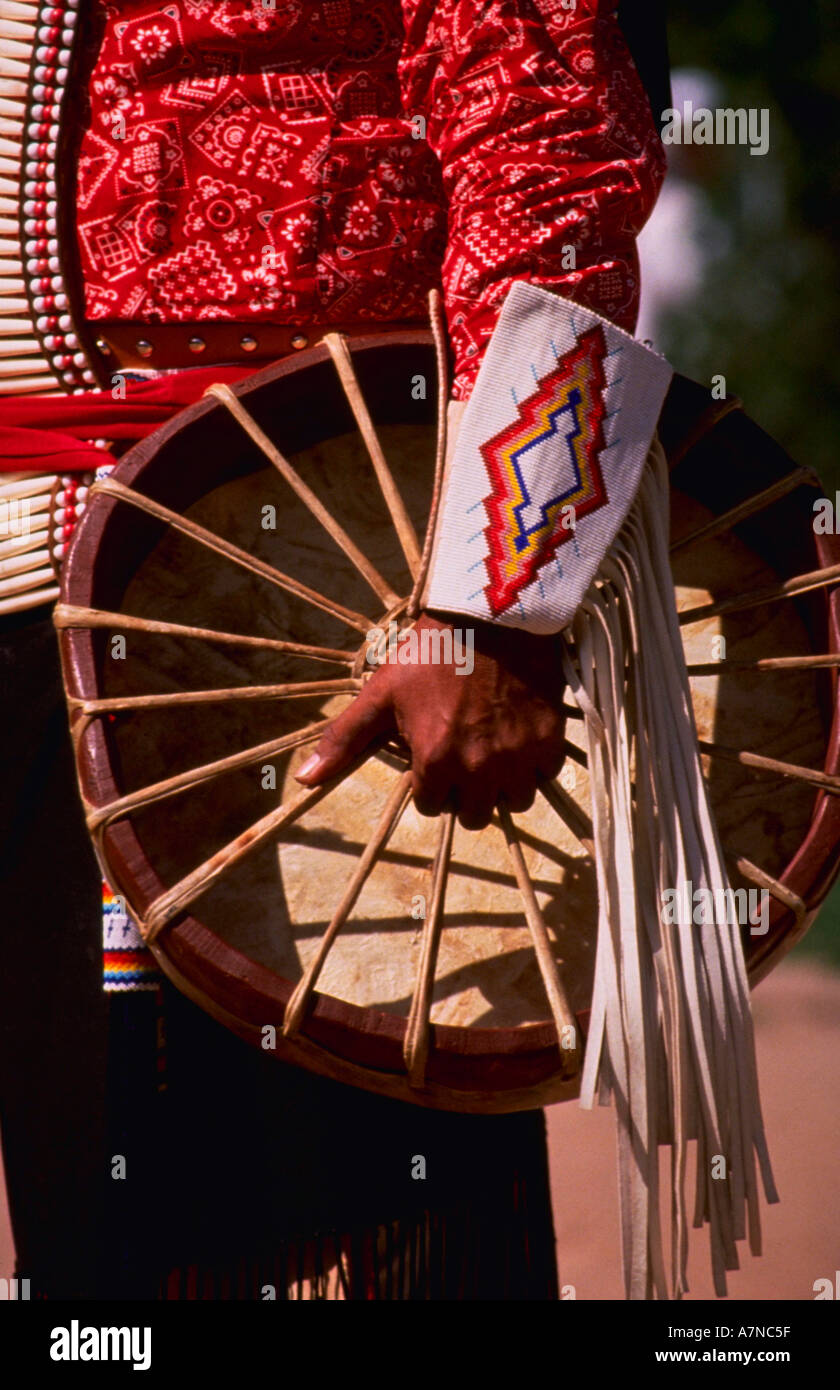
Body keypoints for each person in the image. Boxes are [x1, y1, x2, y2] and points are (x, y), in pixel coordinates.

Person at [0, 0, 668, 1298]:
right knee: (104, 1240)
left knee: (361, 1228)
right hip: (33, 606)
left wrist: (487, 601)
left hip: (319, 595)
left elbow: (547, 136)